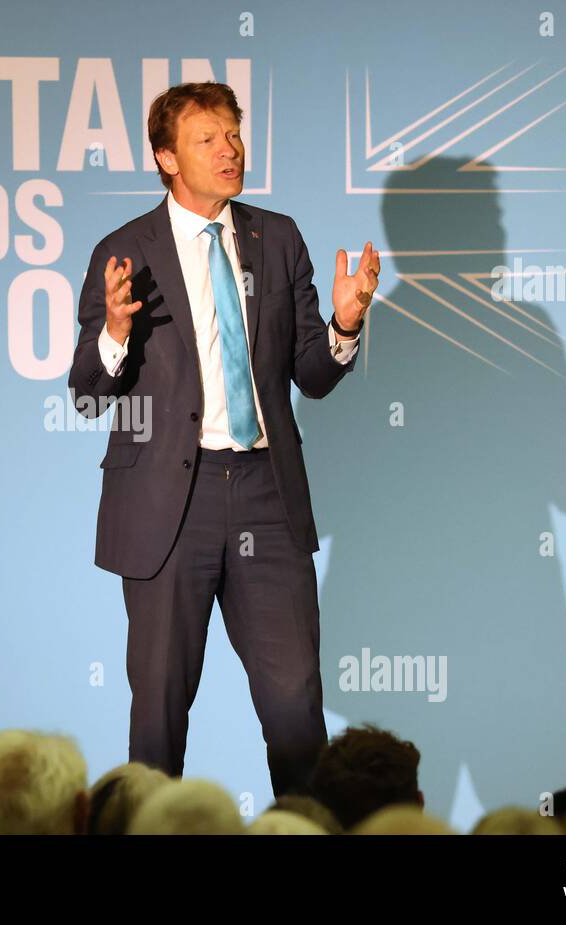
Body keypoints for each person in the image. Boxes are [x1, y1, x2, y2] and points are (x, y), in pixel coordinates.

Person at [68, 81, 378, 798]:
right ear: (167, 158)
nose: (230, 149)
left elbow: (312, 374)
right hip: (168, 504)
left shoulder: (279, 237)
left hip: (267, 493)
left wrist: (346, 324)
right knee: (159, 717)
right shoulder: (124, 252)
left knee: (296, 705)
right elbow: (87, 390)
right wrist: (114, 333)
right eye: (208, 139)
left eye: (233, 134)